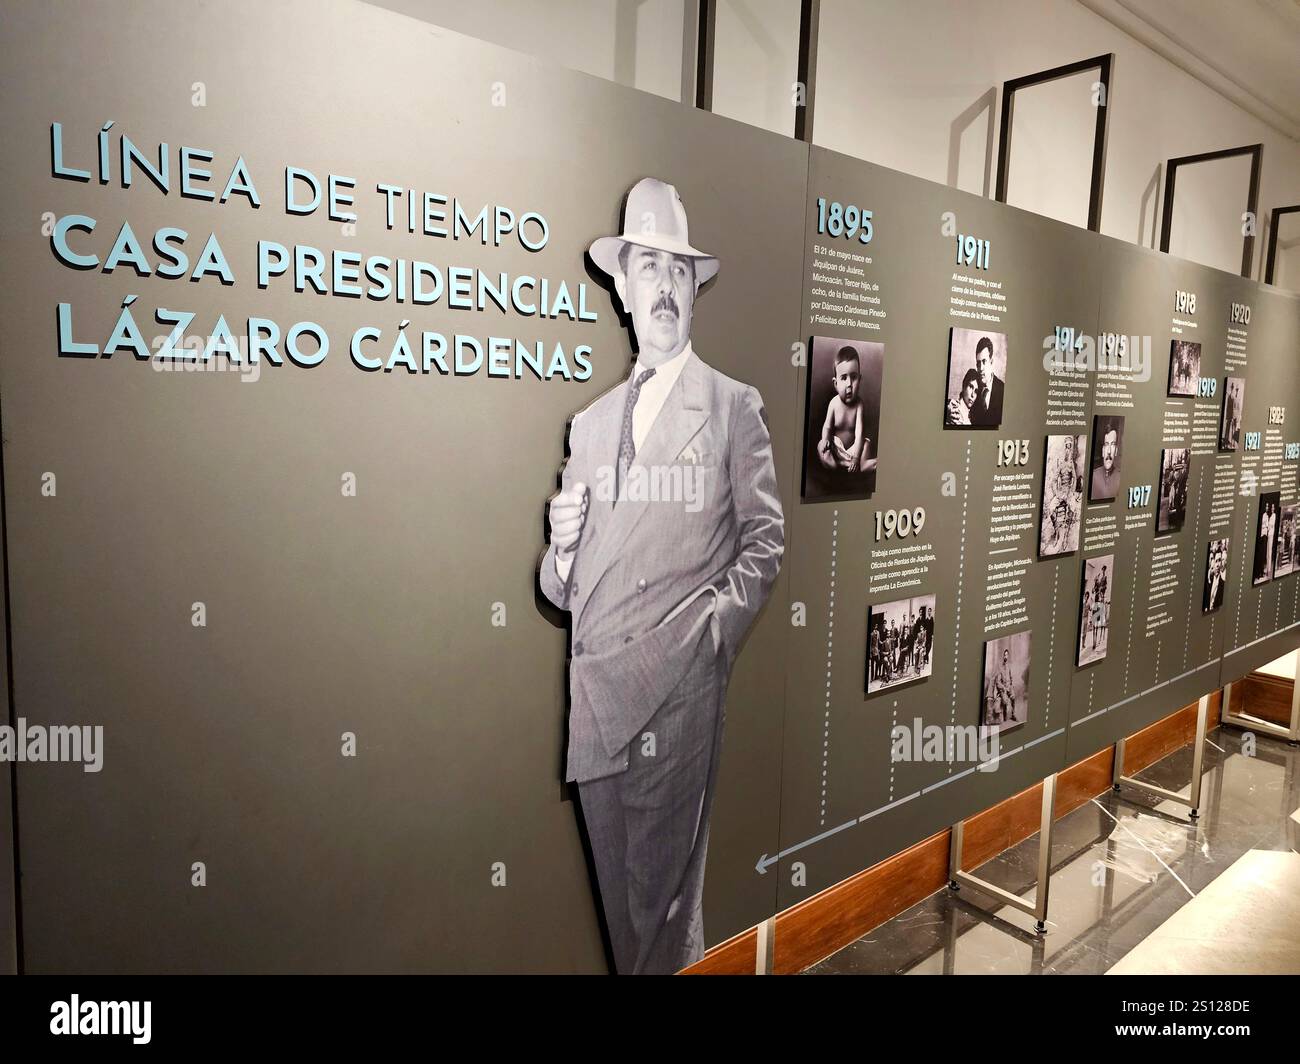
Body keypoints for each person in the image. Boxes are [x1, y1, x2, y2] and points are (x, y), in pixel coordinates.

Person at [539, 177, 784, 975]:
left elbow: (766, 542)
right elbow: (561, 591)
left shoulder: (730, 406)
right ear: (623, 285)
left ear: (692, 290)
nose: (666, 286)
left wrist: (713, 640)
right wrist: (563, 550)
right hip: (597, 707)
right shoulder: (590, 423)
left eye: (680, 270)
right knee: (626, 925)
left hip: (674, 699)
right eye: (650, 266)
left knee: (663, 930)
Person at [818, 346, 868, 473]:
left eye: (854, 377)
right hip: (837, 449)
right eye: (844, 378)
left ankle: (854, 463)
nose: (849, 384)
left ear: (860, 380)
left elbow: (859, 434)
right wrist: (825, 440)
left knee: (865, 444)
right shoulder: (834, 404)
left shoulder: (859, 405)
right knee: (821, 446)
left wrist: (856, 457)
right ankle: (840, 464)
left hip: (853, 450)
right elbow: (827, 427)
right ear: (836, 384)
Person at [967, 336, 1004, 427]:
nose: (981, 368)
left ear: (991, 362)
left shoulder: (1003, 389)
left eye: (984, 362)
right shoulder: (973, 387)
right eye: (978, 363)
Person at [1091, 423, 1121, 501]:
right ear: (1103, 450)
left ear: (1116, 451)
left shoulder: (1121, 478)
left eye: (1113, 444)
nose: (1109, 451)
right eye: (1107, 445)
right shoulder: (1093, 476)